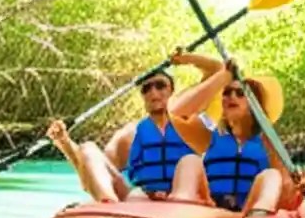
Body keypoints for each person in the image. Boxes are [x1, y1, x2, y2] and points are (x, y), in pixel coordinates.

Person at [46, 49, 222, 202]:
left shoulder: (191, 119)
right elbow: (91, 175)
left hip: (184, 198)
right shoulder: (129, 135)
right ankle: (108, 204)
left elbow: (218, 70)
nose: (154, 92)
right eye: (146, 88)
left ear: (172, 90)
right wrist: (65, 143)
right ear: (143, 97)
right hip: (142, 200)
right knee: (88, 149)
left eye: (160, 86)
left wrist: (187, 59)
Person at [163, 59, 305, 217]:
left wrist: (299, 186)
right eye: (226, 93)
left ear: (255, 105)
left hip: (247, 211)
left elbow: (285, 196)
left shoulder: (269, 143)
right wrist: (223, 76)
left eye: (240, 93)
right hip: (210, 208)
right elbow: (175, 113)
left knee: (272, 176)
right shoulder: (210, 136)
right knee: (190, 161)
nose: (231, 97)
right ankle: (180, 212)